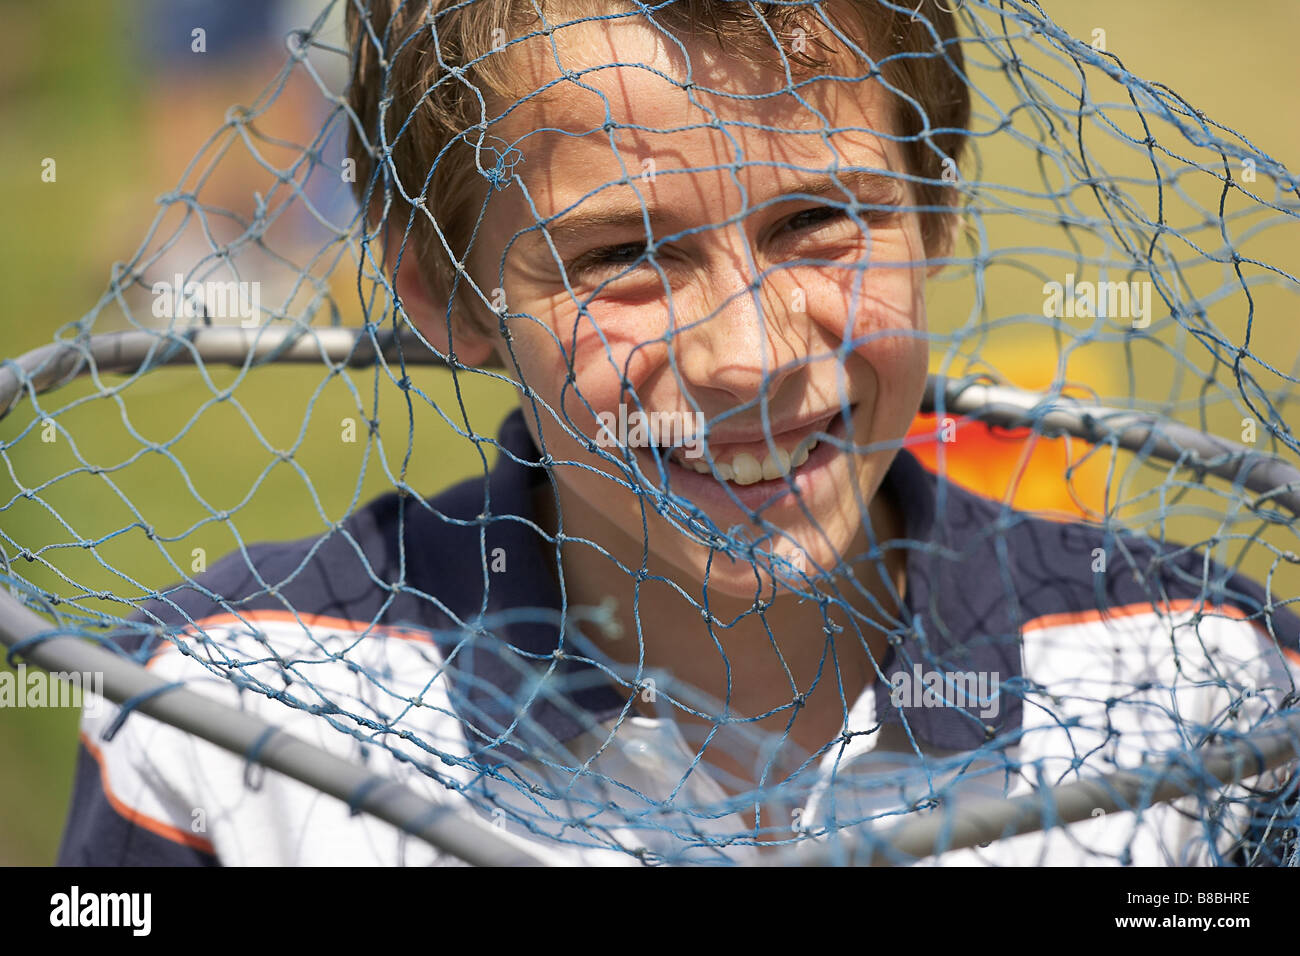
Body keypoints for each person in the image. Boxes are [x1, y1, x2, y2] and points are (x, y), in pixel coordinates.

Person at [58, 0, 1300, 866]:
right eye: (623, 255)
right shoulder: (225, 723)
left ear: (934, 212)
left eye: (819, 218)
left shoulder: (1205, 692)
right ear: (443, 288)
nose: (748, 357)